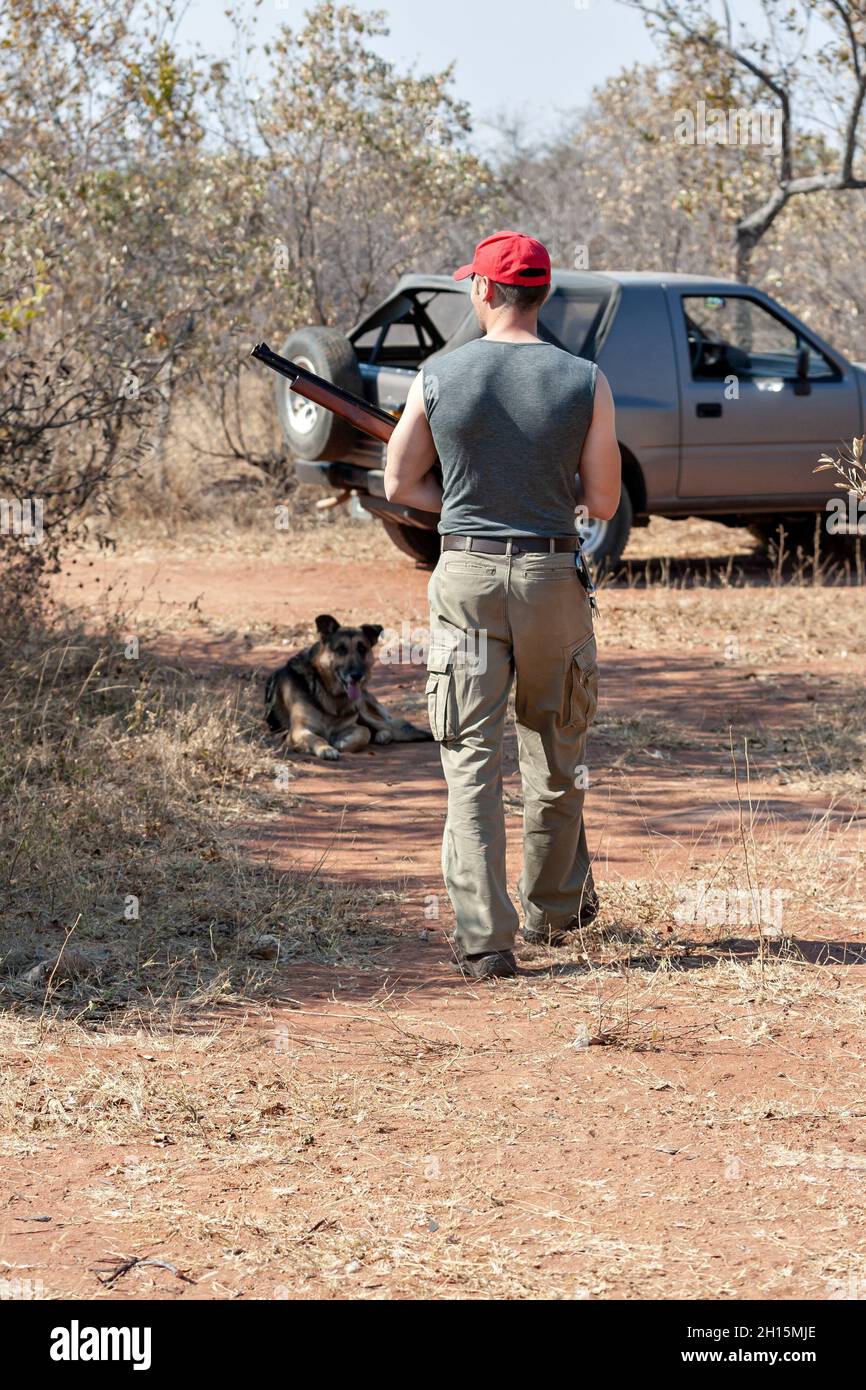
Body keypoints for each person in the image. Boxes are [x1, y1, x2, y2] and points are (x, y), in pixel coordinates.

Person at [384, 230, 621, 979]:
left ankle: (486, 939)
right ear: (543, 294)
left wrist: (459, 507)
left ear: (483, 291)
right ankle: (554, 910)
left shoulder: (439, 374)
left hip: (466, 578)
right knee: (556, 748)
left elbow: (398, 485)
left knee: (472, 757)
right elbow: (606, 500)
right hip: (552, 575)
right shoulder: (585, 379)